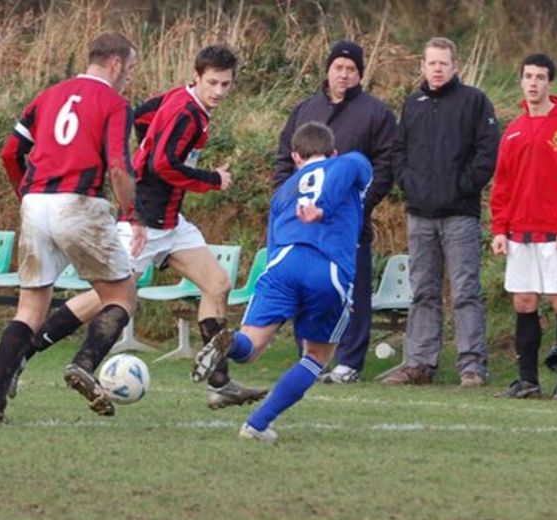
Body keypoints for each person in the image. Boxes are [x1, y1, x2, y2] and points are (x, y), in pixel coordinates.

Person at [6, 44, 266, 410]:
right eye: (213, 83)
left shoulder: (180, 100)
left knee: (218, 283)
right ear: (196, 77)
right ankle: (29, 355)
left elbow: (141, 116)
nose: (219, 91)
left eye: (226, 84)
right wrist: (212, 178)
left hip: (172, 223)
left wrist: (147, 140)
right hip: (145, 220)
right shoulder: (187, 114)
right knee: (105, 297)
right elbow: (164, 165)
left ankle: (219, 382)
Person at [0, 32, 145, 424]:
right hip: (79, 202)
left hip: (36, 202)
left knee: (30, 308)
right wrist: (131, 213)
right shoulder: (115, 103)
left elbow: (9, 152)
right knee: (121, 296)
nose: (129, 78)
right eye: (131, 69)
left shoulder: (48, 95)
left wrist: (26, 193)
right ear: (116, 64)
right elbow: (119, 166)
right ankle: (84, 363)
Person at [193, 122, 372, 442]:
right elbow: (350, 167)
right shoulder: (350, 162)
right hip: (326, 268)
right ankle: (256, 424)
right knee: (316, 357)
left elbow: (273, 241)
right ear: (332, 151)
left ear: (295, 157)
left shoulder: (284, 191)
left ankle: (228, 341)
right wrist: (322, 208)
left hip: (281, 264)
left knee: (250, 349)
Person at [273, 40, 397, 384]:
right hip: (303, 226)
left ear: (360, 74)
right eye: (338, 67)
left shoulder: (377, 114)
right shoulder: (304, 110)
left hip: (348, 227)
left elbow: (386, 166)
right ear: (327, 70)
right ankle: (310, 357)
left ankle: (348, 363)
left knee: (351, 292)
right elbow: (285, 157)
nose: (343, 74)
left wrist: (359, 205)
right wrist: (288, 200)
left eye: (351, 69)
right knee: (307, 291)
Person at [381, 37, 499, 387]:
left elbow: (487, 153)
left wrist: (463, 186)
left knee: (465, 290)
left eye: (443, 63)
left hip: (459, 214)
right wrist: (408, 182)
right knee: (423, 291)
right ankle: (419, 363)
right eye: (431, 63)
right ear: (422, 66)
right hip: (419, 214)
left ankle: (472, 366)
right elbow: (398, 151)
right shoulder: (413, 104)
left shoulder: (474, 101)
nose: (436, 69)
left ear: (454, 66)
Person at [490, 53, 557, 400]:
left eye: (541, 77)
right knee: (524, 301)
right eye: (528, 76)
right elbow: (503, 185)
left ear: (550, 83)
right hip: (519, 233)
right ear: (521, 82)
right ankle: (528, 380)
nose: (534, 83)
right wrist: (499, 228)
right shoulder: (513, 130)